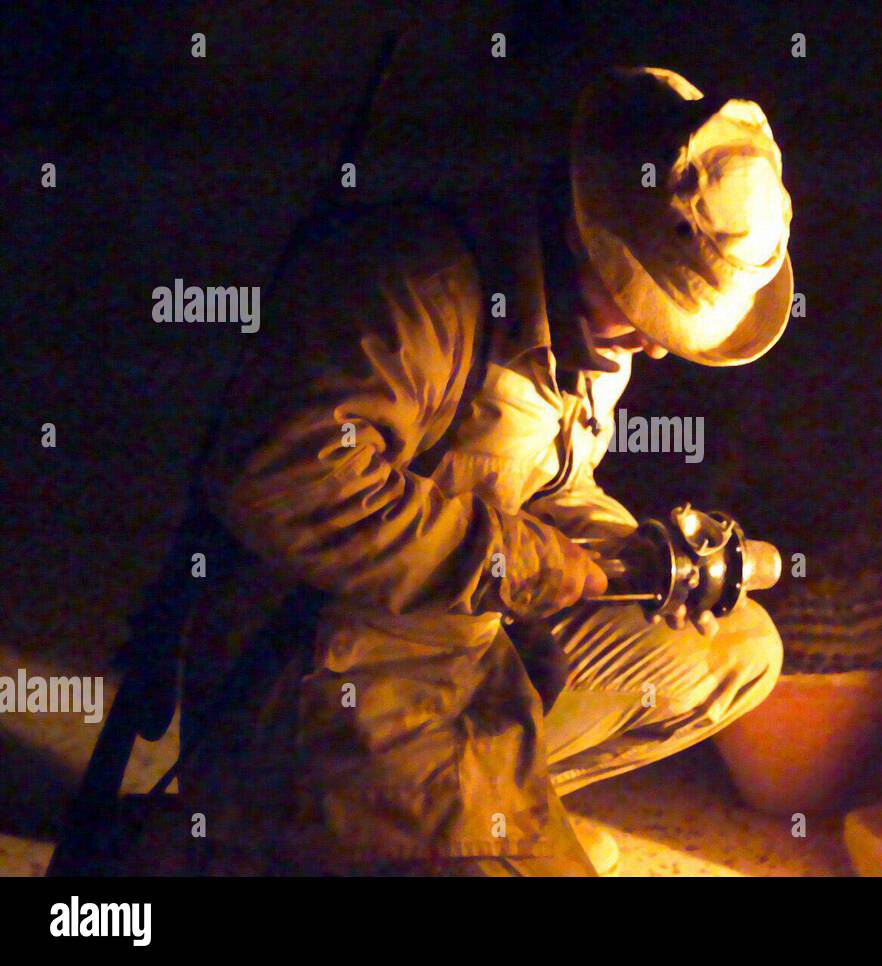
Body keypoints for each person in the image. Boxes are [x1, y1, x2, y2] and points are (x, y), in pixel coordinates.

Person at [162, 66, 794, 876]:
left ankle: (476, 812)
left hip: (470, 638)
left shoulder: (595, 323)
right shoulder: (415, 290)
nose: (659, 344)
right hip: (329, 672)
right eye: (644, 309)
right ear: (587, 228)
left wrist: (640, 559)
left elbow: (551, 484)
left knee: (737, 648)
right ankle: (338, 833)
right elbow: (281, 477)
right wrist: (515, 559)